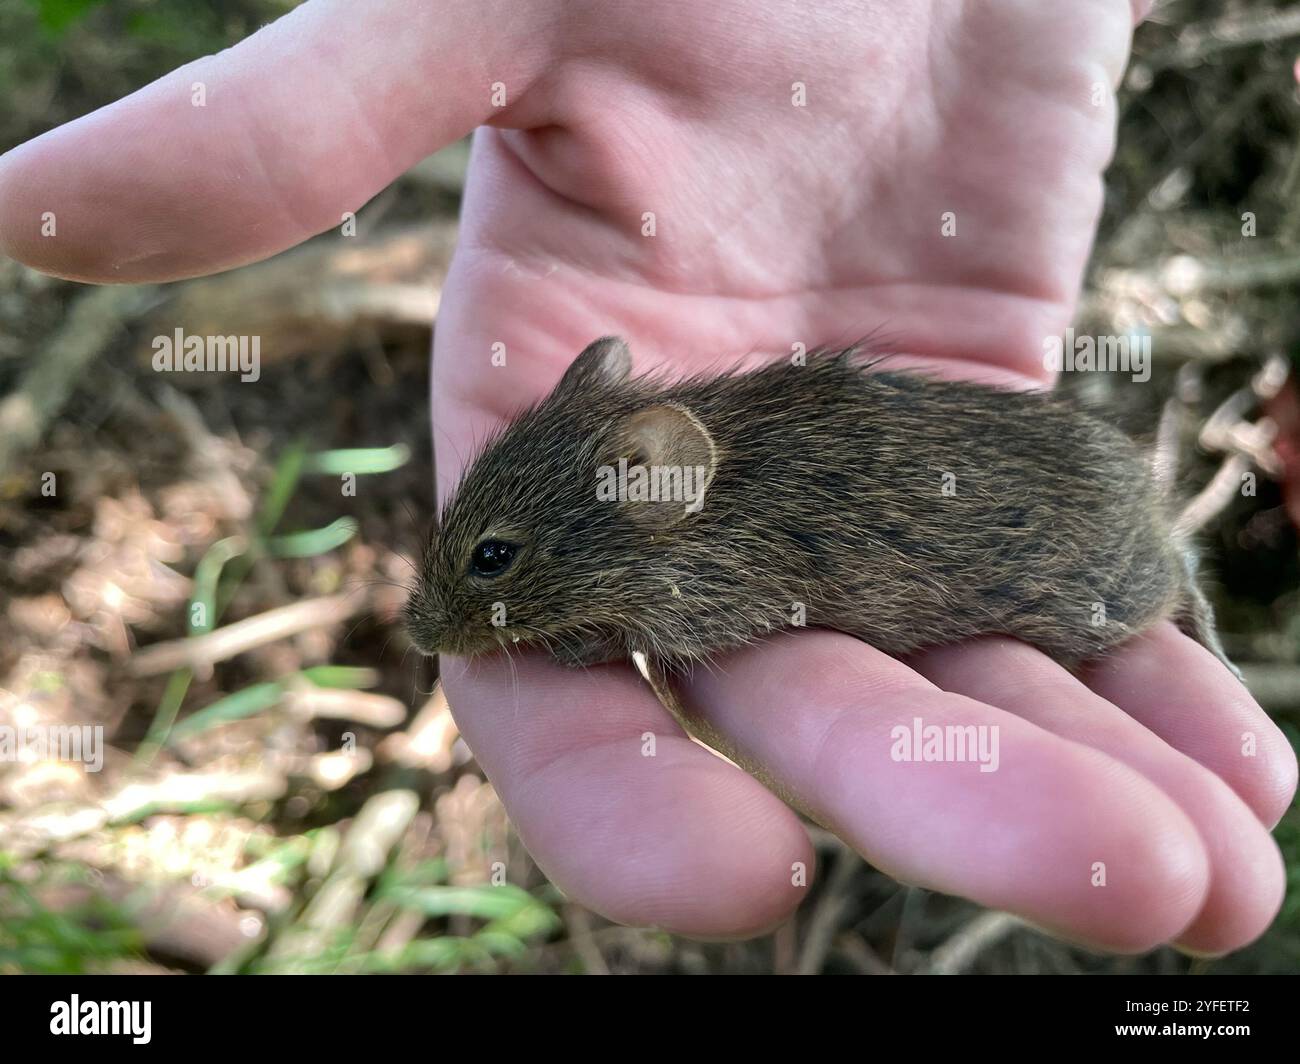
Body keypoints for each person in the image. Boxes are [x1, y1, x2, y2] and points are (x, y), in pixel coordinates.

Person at [1, 0, 1293, 955]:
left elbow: (716, 611)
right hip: (1053, 471)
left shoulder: (691, 550)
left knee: (1113, 629)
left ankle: (1161, 603)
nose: (459, 614)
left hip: (1081, 552)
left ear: (653, 491)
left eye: (497, 566)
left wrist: (589, 628)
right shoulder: (656, 482)